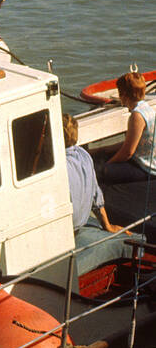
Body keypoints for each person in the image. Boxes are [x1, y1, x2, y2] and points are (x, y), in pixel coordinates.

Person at [64, 114, 124, 276]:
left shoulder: (60, 167)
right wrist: (108, 226)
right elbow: (96, 197)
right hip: (81, 222)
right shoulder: (84, 155)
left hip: (69, 230)